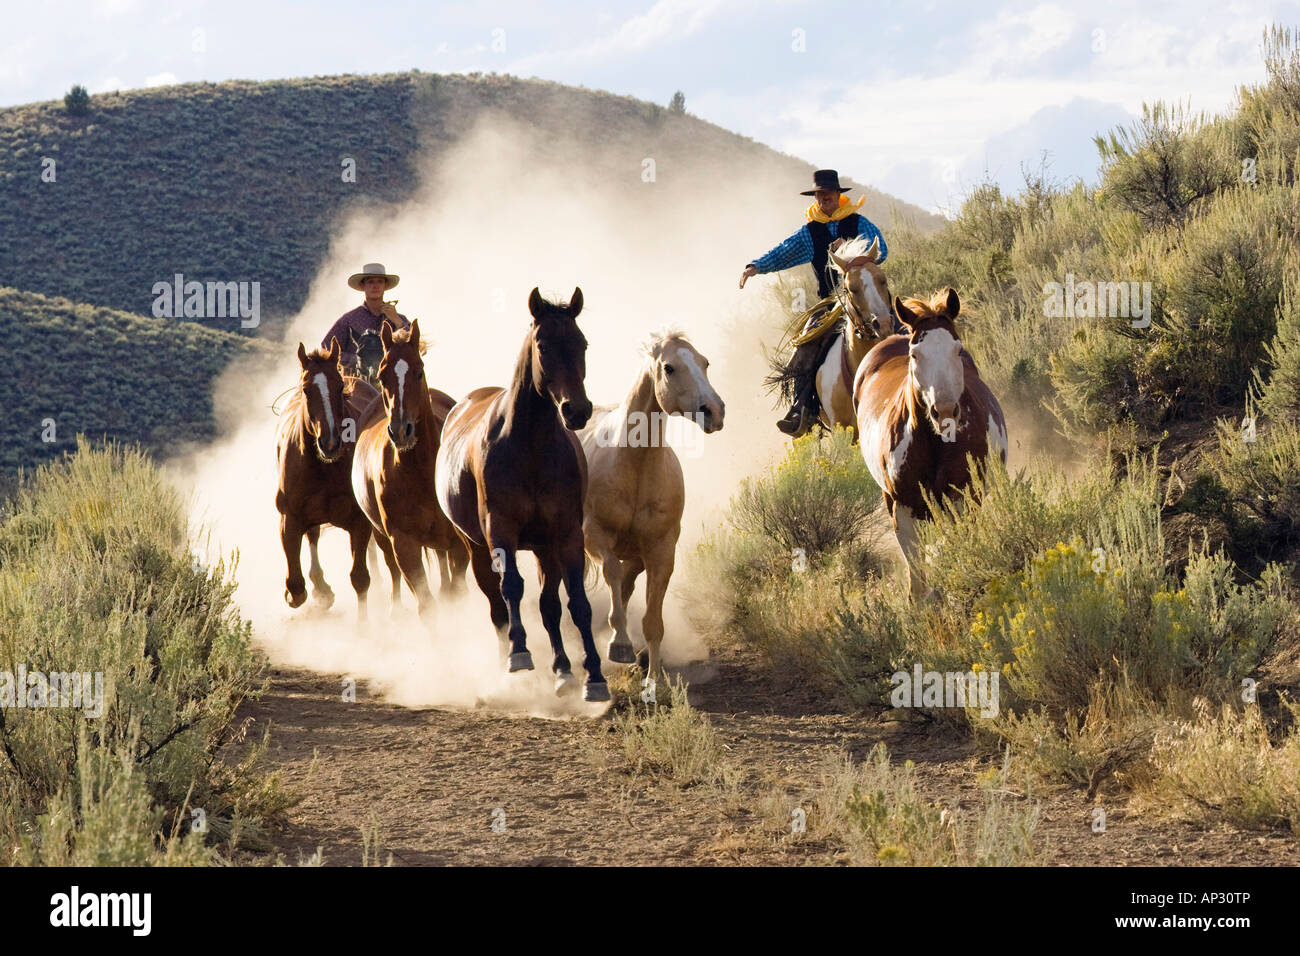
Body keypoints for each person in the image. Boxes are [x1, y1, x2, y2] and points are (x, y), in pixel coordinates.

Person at [739, 170, 888, 436]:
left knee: (904, 328)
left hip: (865, 297)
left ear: (838, 194)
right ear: (815, 197)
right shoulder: (810, 232)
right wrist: (756, 266)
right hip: (831, 303)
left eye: (828, 192)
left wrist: (851, 246)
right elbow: (784, 251)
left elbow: (882, 250)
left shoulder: (859, 223)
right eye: (819, 193)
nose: (824, 197)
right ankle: (802, 408)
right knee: (807, 343)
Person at [320, 263, 411, 371]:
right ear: (363, 286)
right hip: (356, 383)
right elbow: (326, 349)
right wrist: (357, 360)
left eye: (380, 281)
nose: (375, 286)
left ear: (385, 285)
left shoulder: (398, 319)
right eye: (370, 281)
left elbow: (416, 346)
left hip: (392, 381)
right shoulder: (349, 320)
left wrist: (397, 321)